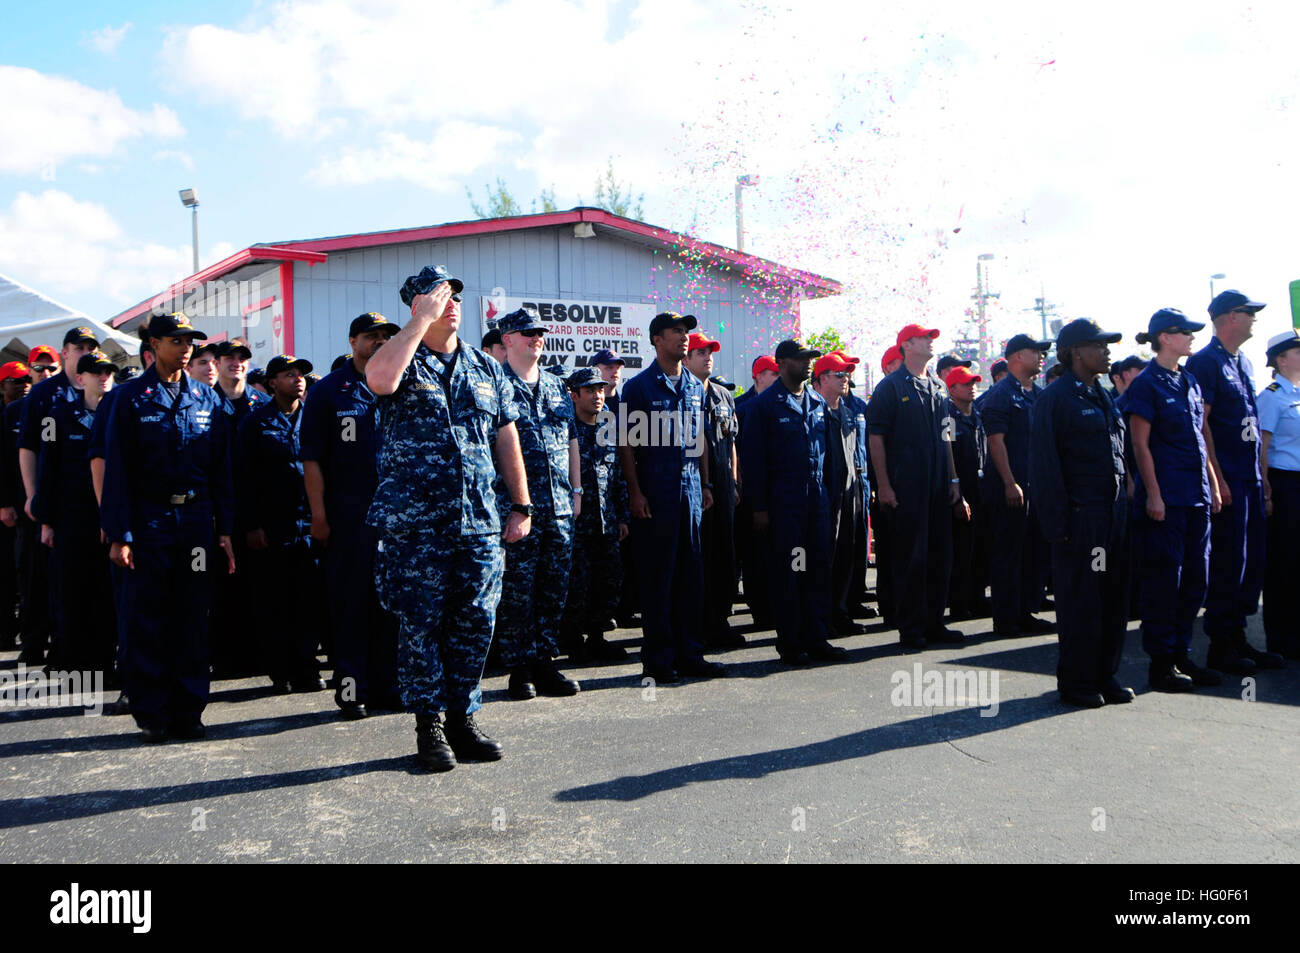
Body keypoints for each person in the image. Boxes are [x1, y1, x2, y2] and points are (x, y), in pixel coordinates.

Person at [365, 265, 530, 771]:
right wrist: (419, 323)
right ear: (415, 303)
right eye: (438, 294)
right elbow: (379, 380)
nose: (450, 301)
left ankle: (463, 717)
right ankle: (428, 726)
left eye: (455, 293)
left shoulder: (484, 367)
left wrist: (521, 505)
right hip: (417, 526)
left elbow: (505, 436)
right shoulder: (400, 356)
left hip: (479, 521)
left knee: (475, 622)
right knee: (421, 625)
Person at [102, 312, 235, 742]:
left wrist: (224, 530)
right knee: (148, 616)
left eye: (190, 342)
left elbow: (222, 470)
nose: (186, 348)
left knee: (192, 614)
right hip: (149, 519)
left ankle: (189, 709)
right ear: (153, 345)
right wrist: (119, 533)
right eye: (176, 341)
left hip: (195, 520)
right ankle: (152, 711)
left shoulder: (205, 397)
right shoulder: (129, 398)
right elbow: (116, 470)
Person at [302, 312, 403, 718]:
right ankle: (350, 689)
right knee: (350, 605)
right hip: (349, 515)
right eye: (370, 336)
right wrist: (319, 515)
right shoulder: (329, 391)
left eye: (385, 336)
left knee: (391, 604)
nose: (379, 342)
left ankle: (387, 686)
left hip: (397, 517)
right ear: (352, 341)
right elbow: (312, 460)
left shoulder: (399, 384)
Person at [1029, 319, 1133, 708]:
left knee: (1112, 598)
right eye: (1098, 345)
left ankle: (1105, 675)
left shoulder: (1102, 395)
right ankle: (1077, 682)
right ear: (1076, 352)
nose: (1106, 352)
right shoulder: (1056, 399)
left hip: (1112, 517)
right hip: (1082, 520)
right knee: (1083, 602)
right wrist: (1060, 526)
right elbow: (1045, 467)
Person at [618, 311, 725, 682]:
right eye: (675, 332)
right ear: (656, 339)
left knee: (691, 575)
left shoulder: (695, 387)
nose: (683, 338)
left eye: (685, 332)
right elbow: (627, 446)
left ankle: (690, 653)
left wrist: (707, 485)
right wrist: (635, 492)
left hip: (691, 491)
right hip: (656, 491)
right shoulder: (639, 387)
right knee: (658, 577)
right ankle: (659, 660)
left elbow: (702, 441)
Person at [1121, 309, 1223, 691]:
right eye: (1185, 333)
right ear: (1165, 338)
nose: (1192, 338)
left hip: (1195, 496)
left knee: (1196, 580)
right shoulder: (1147, 385)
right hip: (1167, 500)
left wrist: (1212, 483)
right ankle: (1161, 664)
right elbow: (1139, 444)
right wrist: (1155, 494)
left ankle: (1183, 655)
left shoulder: (1189, 381)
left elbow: (1199, 439)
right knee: (1165, 581)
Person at [1186, 289, 1284, 673]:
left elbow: (1253, 425)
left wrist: (1262, 475)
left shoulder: (1240, 360)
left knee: (1251, 561)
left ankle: (1238, 637)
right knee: (1228, 561)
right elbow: (1202, 423)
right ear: (1229, 317)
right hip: (1227, 478)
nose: (1254, 319)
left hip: (1249, 477)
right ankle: (1220, 644)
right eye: (1249, 313)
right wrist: (1217, 477)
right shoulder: (1206, 363)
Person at [492, 306, 582, 700]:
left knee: (553, 589)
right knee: (517, 591)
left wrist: (577, 492)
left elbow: (573, 441)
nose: (536, 337)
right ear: (507, 339)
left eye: (539, 332)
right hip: (517, 509)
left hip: (560, 506)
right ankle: (519, 669)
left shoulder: (556, 386)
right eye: (526, 332)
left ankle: (546, 662)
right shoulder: (494, 384)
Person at [742, 339, 847, 664]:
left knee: (817, 569)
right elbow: (753, 460)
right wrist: (759, 507)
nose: (807, 364)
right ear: (783, 363)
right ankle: (791, 642)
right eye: (801, 359)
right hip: (784, 503)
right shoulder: (765, 405)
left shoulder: (816, 402)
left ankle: (817, 638)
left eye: (810, 359)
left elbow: (828, 456)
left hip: (815, 501)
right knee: (791, 570)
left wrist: (829, 496)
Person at [866, 324, 963, 650]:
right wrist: (884, 485)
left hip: (937, 484)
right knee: (912, 558)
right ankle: (911, 628)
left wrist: (953, 478)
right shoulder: (890, 388)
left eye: (932, 338)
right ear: (906, 344)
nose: (930, 342)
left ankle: (935, 623)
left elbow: (946, 435)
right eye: (924, 338)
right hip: (906, 485)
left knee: (940, 556)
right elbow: (876, 438)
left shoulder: (937, 385)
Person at [236, 354, 324, 694]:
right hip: (272, 525)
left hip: (308, 522)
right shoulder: (254, 422)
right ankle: (280, 669)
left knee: (309, 599)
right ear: (272, 382)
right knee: (275, 601)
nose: (298, 379)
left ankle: (307, 665)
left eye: (301, 373)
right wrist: (251, 525)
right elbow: (243, 477)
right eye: (289, 374)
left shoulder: (314, 418)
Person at [34, 350, 119, 677]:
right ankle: (73, 663)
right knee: (72, 591)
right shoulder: (55, 418)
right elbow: (47, 470)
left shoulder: (120, 413)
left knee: (108, 592)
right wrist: (46, 520)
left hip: (109, 517)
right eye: (96, 372)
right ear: (80, 378)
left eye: (108, 372)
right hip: (72, 519)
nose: (104, 377)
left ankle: (107, 662)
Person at [18, 330, 97, 665]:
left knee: (94, 584)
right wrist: (34, 497)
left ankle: (91, 653)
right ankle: (49, 648)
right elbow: (30, 448)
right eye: (78, 348)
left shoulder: (102, 387)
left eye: (89, 348)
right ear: (65, 352)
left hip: (94, 502)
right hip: (59, 501)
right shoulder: (44, 394)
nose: (83, 353)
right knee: (49, 579)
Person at [980, 333, 1053, 638]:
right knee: (1008, 554)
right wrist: (1010, 482)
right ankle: (1006, 617)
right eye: (1036, 352)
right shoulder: (1001, 394)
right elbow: (996, 442)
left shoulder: (1036, 394)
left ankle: (1025, 611)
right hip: (1010, 488)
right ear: (1017, 357)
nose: (1042, 357)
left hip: (1034, 486)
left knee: (1031, 552)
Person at [561, 367, 630, 660]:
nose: (598, 396)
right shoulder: (564, 431)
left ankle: (598, 637)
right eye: (590, 390)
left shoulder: (608, 429)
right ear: (574, 395)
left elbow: (618, 477)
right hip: (575, 524)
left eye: (600, 390)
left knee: (607, 579)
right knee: (576, 583)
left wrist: (623, 516)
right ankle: (571, 640)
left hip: (606, 521)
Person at [687, 331, 743, 648]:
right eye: (700, 353)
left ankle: (720, 619)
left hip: (722, 484)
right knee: (700, 556)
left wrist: (734, 482)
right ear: (686, 358)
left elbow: (731, 441)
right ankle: (699, 624)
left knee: (725, 554)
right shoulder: (685, 392)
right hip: (695, 485)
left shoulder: (723, 395)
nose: (707, 357)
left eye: (710, 352)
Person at [812, 350, 867, 635]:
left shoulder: (846, 412)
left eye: (847, 374)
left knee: (846, 554)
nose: (845, 379)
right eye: (839, 374)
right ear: (821, 379)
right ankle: (822, 619)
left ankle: (840, 612)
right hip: (824, 497)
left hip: (849, 494)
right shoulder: (811, 412)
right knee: (823, 559)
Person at [1257, 330, 1300, 661]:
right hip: (1284, 484)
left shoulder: (1297, 392)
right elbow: (1263, 446)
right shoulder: (1272, 396)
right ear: (1281, 359)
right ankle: (1281, 638)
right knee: (1284, 561)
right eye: (1298, 351)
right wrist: (1267, 490)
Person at [735, 354, 779, 630]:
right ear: (758, 376)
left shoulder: (782, 404)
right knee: (754, 555)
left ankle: (777, 606)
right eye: (773, 374)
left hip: (778, 492)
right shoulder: (742, 407)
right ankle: (760, 609)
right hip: (751, 493)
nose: (777, 379)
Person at [943, 364, 987, 621]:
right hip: (961, 487)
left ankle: (977, 599)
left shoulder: (977, 415)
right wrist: (955, 487)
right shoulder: (947, 417)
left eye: (974, 383)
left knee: (980, 547)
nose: (972, 387)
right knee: (962, 550)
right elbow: (945, 450)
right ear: (952, 388)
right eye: (966, 384)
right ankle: (959, 604)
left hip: (981, 487)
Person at [868, 344, 903, 627]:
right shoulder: (884, 394)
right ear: (888, 367)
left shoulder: (925, 389)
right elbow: (874, 442)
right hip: (887, 486)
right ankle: (891, 608)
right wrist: (882, 485)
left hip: (911, 486)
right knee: (891, 553)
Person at [0, 362, 32, 650]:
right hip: (7, 508)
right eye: (15, 380)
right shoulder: (5, 416)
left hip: (26, 509)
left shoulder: (32, 412)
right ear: (2, 386)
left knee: (23, 570)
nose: (23, 384)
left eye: (26, 379)